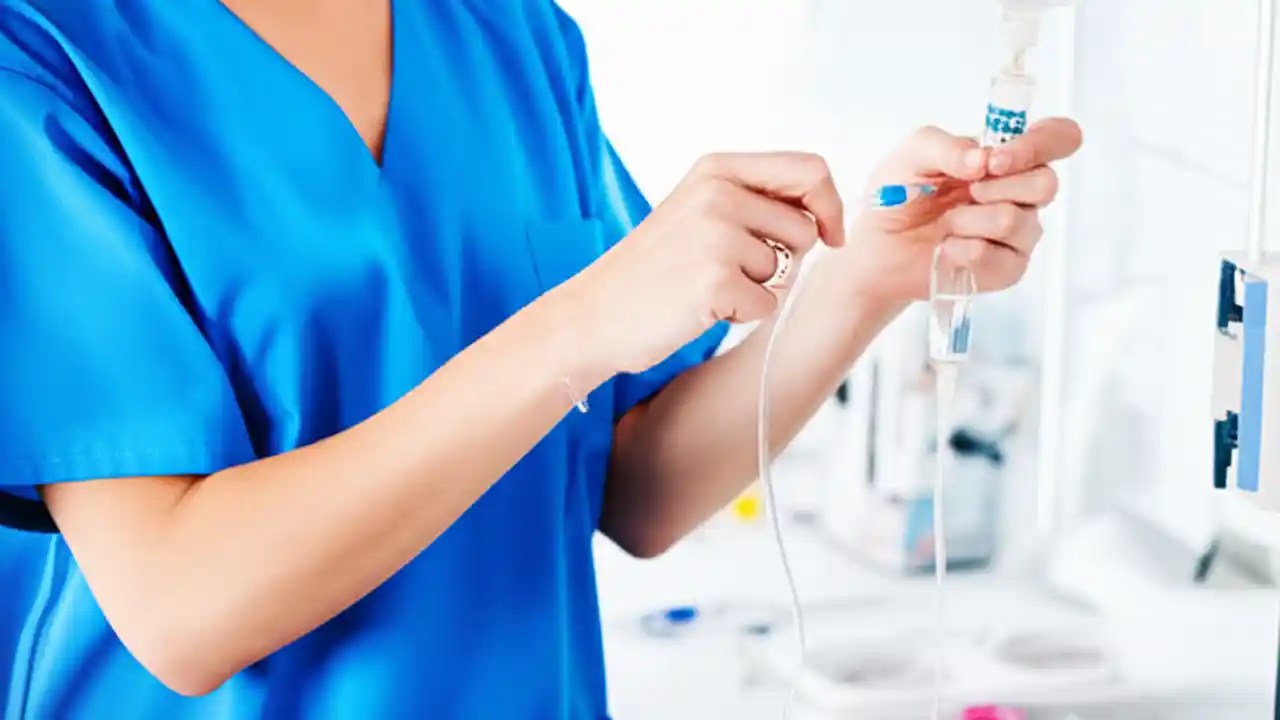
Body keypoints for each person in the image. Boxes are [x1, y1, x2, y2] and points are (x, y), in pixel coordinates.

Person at [0, 0, 1082, 717]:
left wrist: (863, 284)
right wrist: (574, 326)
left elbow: (634, 488)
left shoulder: (506, 32)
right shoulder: (42, 58)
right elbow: (182, 612)